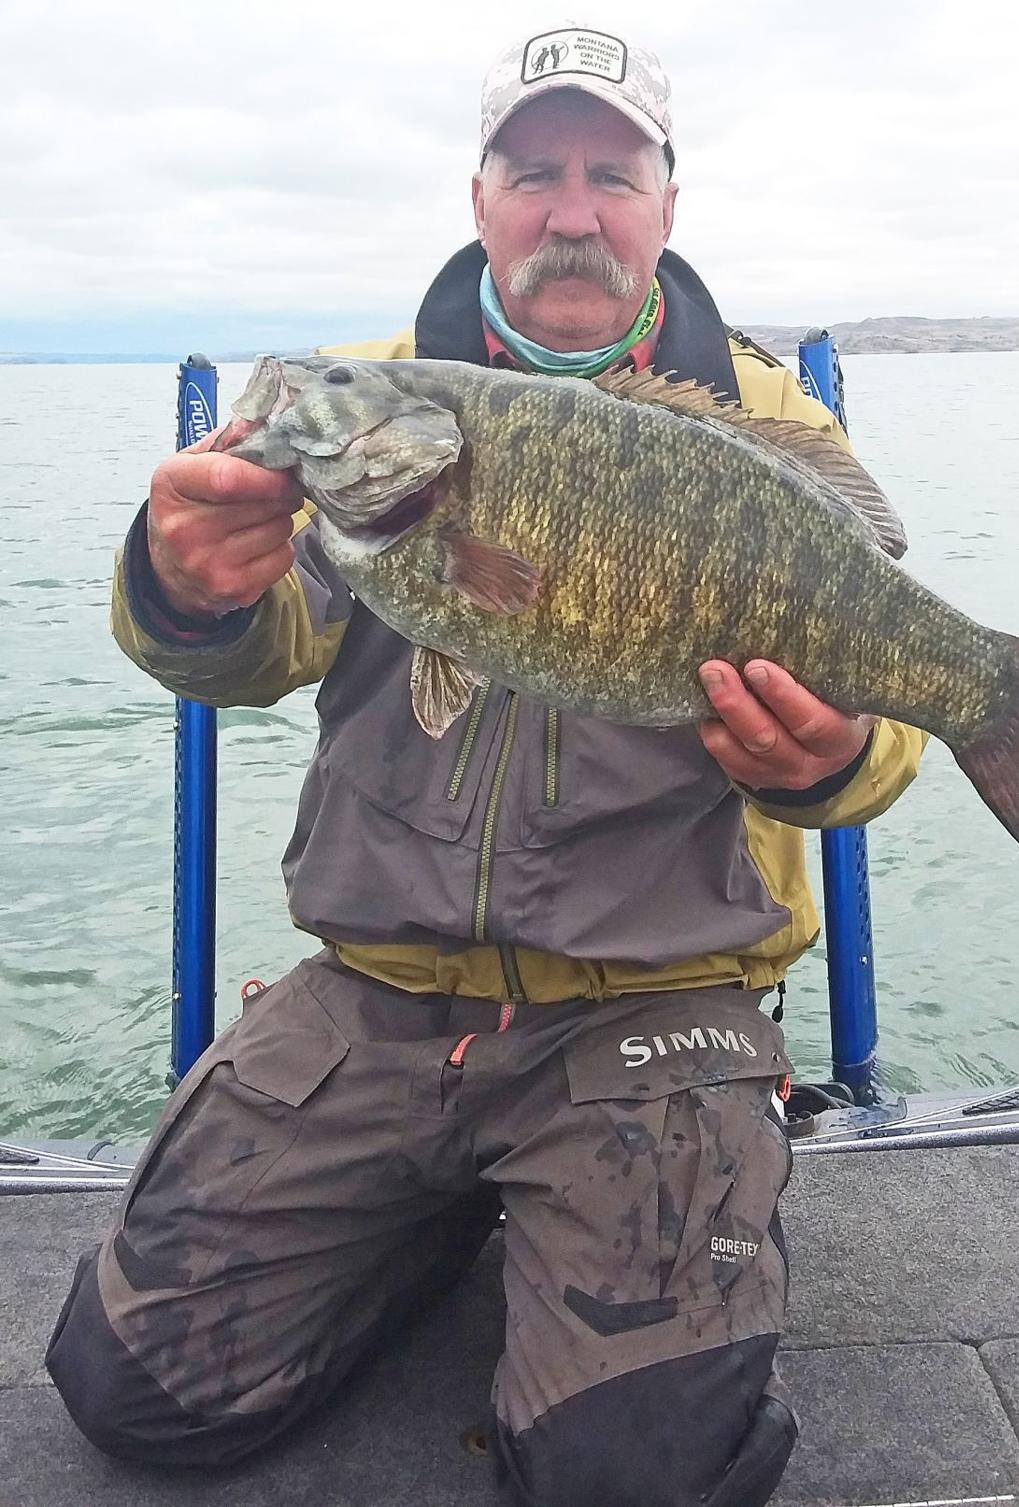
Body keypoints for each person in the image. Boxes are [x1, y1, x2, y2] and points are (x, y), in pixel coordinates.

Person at [47, 26, 923, 1507]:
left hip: (652, 1009)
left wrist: (837, 756)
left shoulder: (771, 427)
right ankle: (435, 1216)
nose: (570, 209)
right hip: (374, 997)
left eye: (609, 172)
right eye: (535, 172)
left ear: (664, 202)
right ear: (479, 198)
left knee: (631, 1477)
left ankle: (622, 1229)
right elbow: (251, 648)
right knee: (135, 1393)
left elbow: (879, 697)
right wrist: (187, 586)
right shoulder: (371, 408)